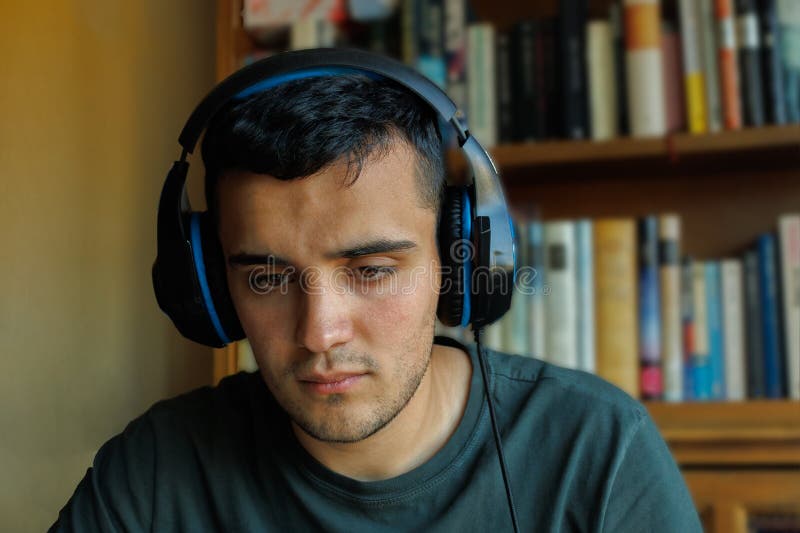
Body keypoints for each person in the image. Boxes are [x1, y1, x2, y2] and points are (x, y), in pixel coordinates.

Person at [51, 51, 702, 532]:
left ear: (460, 260)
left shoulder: (599, 450)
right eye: (266, 277)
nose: (320, 332)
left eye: (371, 270)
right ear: (211, 289)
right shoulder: (156, 468)